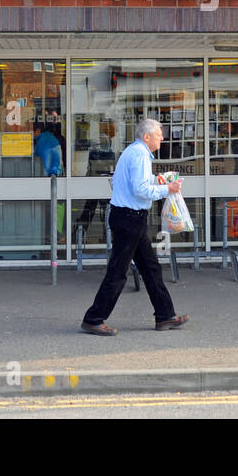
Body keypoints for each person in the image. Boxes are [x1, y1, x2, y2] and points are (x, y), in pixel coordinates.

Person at [80, 118, 189, 335]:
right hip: (130, 218)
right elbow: (140, 190)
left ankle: (165, 315)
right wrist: (168, 189)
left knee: (150, 268)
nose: (162, 138)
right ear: (146, 136)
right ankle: (93, 318)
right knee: (118, 272)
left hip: (130, 218)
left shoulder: (134, 151)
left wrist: (155, 180)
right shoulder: (140, 154)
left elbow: (138, 183)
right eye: (158, 134)